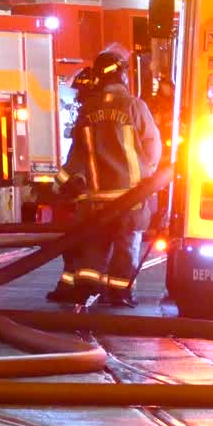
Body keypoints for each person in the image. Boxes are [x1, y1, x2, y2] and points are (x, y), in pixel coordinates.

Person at [56, 51, 161, 307]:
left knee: (95, 244)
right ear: (121, 75)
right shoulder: (134, 106)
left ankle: (87, 287)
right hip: (130, 196)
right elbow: (153, 146)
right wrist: (146, 176)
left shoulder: (88, 110)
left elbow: (77, 154)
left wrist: (64, 183)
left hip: (97, 198)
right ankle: (119, 293)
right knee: (126, 246)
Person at [46, 66, 98, 303]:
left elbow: (76, 159)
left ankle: (77, 287)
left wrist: (57, 185)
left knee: (79, 243)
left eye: (80, 92)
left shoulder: (89, 117)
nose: (78, 98)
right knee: (81, 243)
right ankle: (74, 285)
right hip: (103, 194)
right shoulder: (103, 114)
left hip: (89, 195)